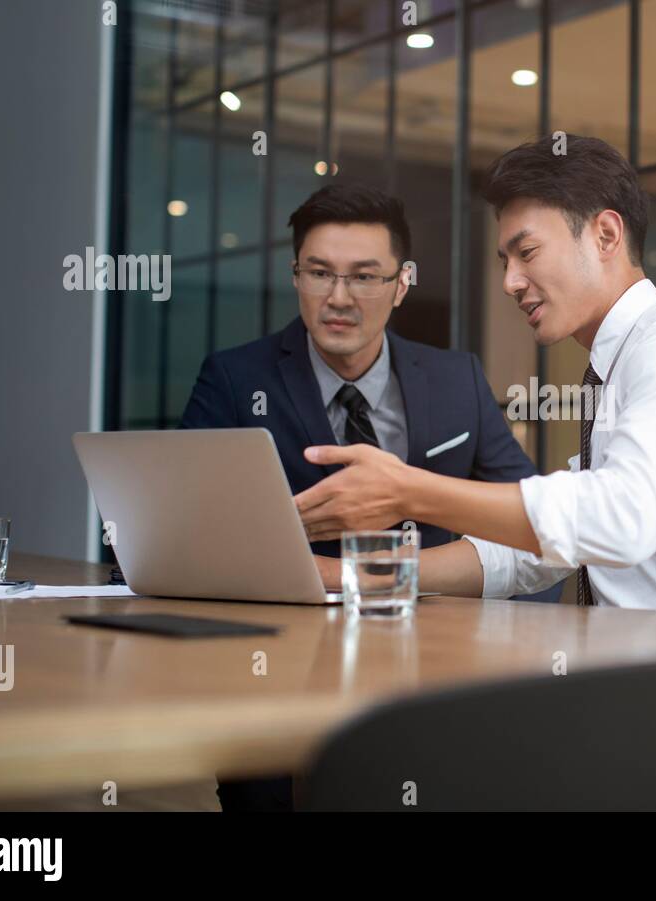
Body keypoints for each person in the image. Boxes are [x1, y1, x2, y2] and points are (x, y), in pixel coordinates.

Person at [179, 182, 560, 812]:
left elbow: (526, 518)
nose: (338, 298)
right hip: (278, 682)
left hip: (431, 680)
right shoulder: (235, 378)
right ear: (295, 275)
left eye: (364, 276)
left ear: (401, 283)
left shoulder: (455, 377)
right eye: (319, 273)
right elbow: (186, 535)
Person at [297, 135, 656, 618]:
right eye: (506, 261)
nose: (510, 281)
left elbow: (620, 520)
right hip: (640, 681)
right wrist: (357, 574)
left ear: (606, 235)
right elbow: (540, 551)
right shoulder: (621, 364)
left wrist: (408, 492)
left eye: (527, 252)